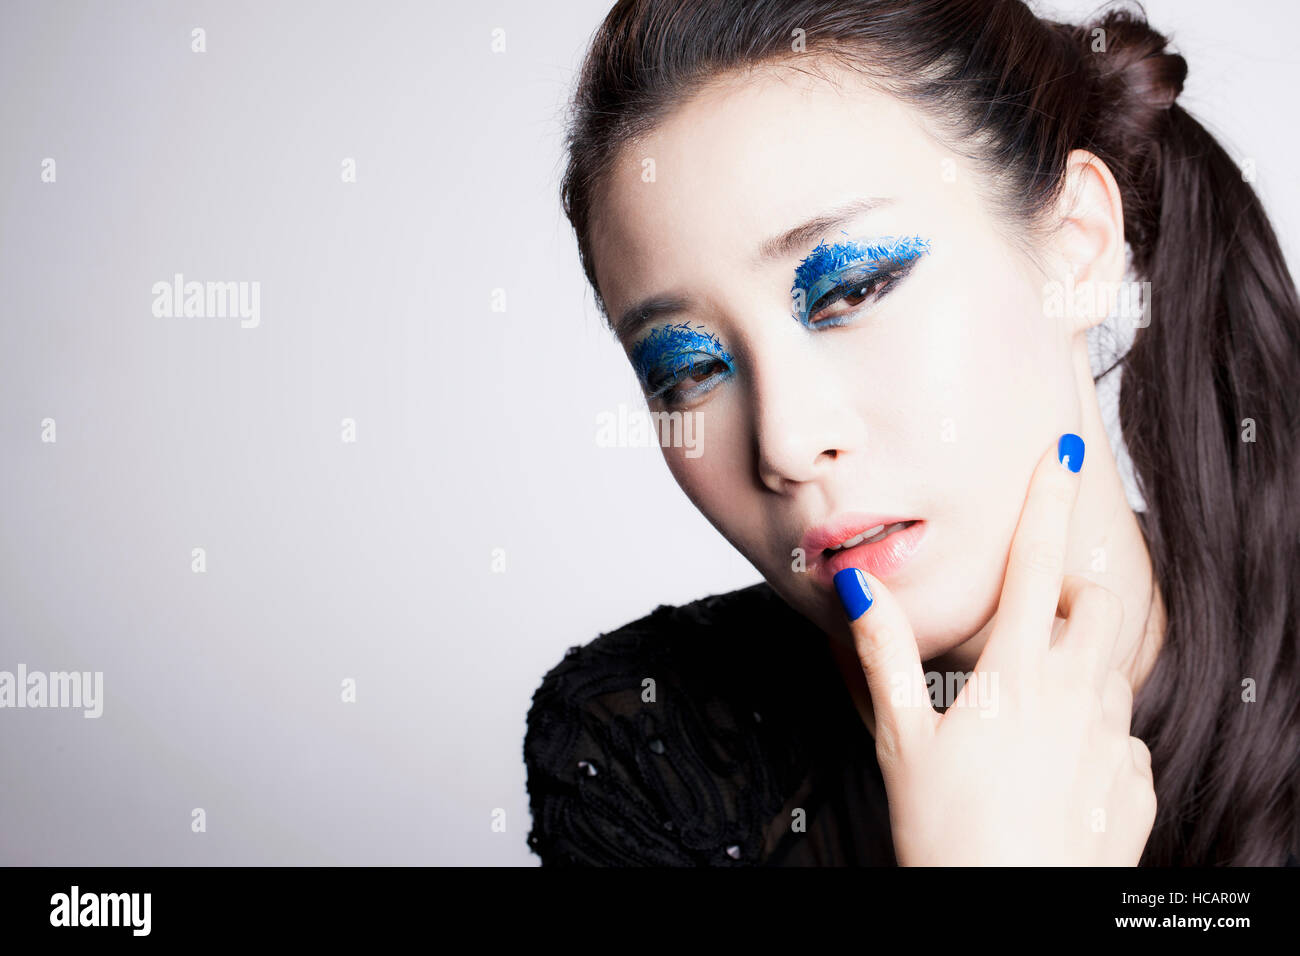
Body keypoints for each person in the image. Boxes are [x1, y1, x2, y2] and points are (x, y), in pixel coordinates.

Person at [524, 0, 1300, 865]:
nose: (783, 442)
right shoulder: (643, 752)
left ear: (1076, 247)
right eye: (688, 368)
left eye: (850, 289)